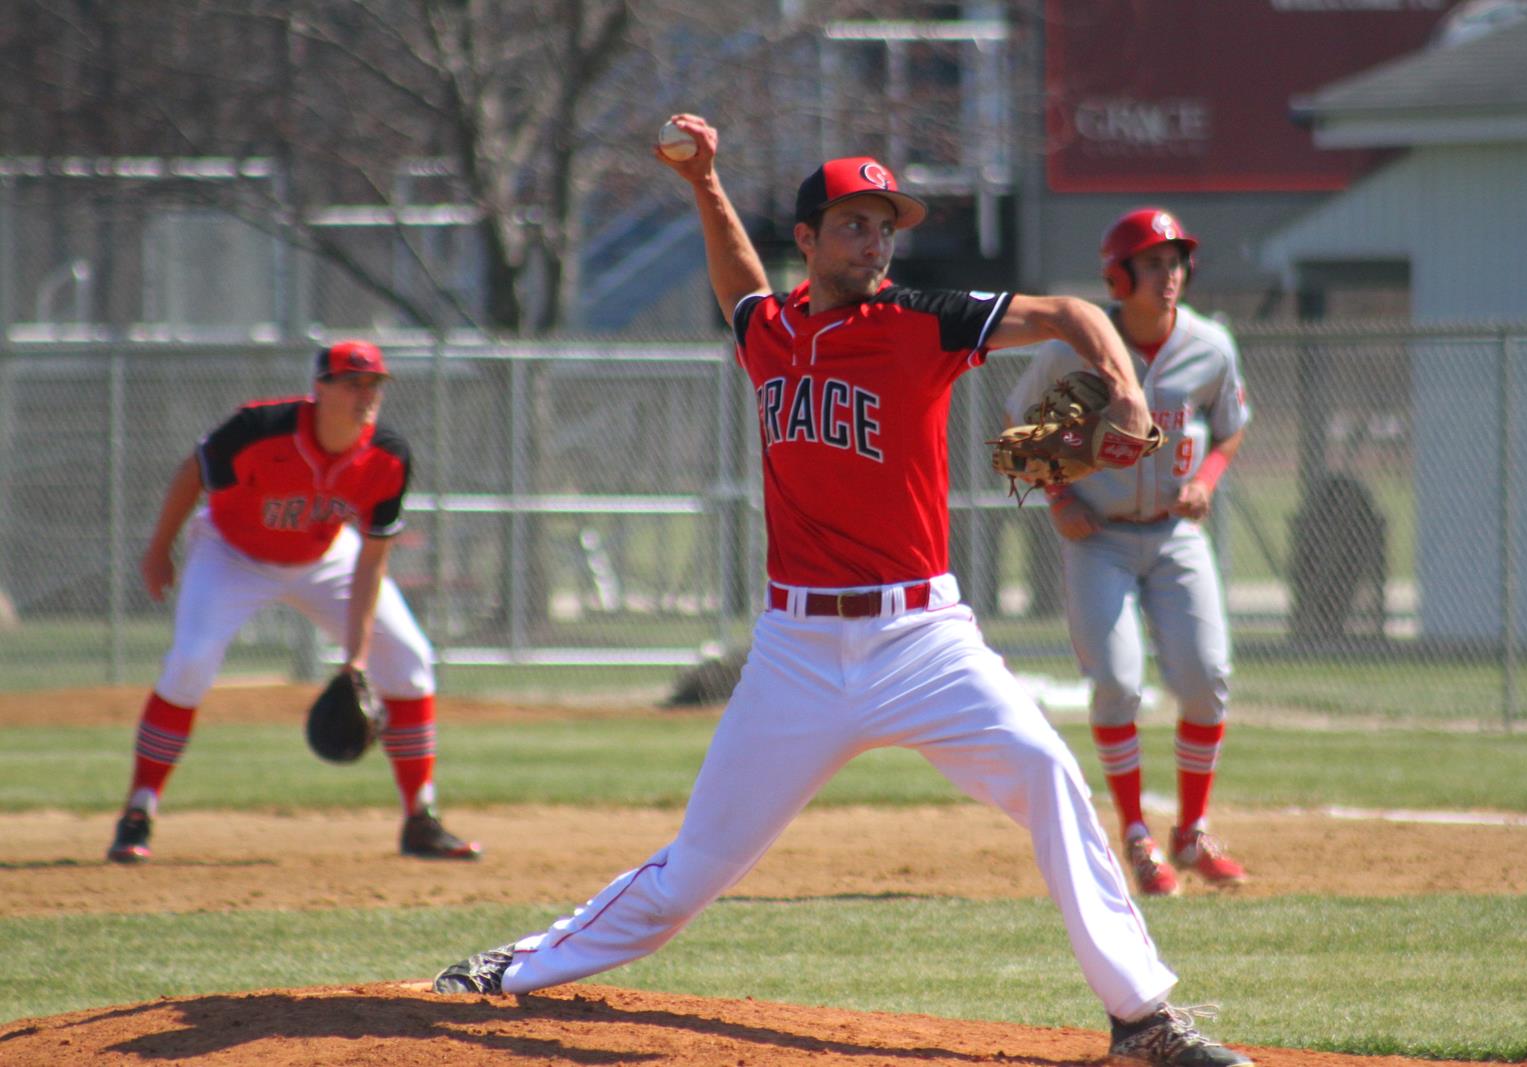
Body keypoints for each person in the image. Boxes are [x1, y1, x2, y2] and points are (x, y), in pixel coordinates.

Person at [432, 117, 1250, 1067]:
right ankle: (520, 969)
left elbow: (1071, 313)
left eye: (885, 225)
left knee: (1046, 773)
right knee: (695, 867)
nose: (877, 242)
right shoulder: (770, 331)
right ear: (810, 240)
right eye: (855, 224)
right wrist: (705, 180)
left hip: (924, 639)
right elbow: (738, 279)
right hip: (796, 653)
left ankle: (1142, 1019)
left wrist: (1126, 391)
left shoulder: (921, 320)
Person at [106, 340, 481, 864]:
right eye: (353, 383)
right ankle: (138, 812)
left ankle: (420, 818)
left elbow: (372, 561)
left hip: (324, 558)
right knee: (190, 663)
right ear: (320, 388)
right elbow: (193, 472)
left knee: (412, 660)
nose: (366, 394)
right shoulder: (260, 429)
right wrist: (158, 550)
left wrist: (356, 658)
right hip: (231, 554)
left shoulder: (388, 455)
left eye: (374, 384)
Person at [1006, 208, 1249, 897]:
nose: (1168, 276)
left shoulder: (1210, 344)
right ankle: (1139, 835)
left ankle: (1192, 832)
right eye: (1152, 263)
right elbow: (1018, 428)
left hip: (1176, 533)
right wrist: (1058, 501)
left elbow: (1230, 427)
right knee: (1115, 681)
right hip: (1102, 536)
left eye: (1175, 262)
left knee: (1205, 676)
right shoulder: (1072, 349)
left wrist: (1205, 482)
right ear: (1118, 275)